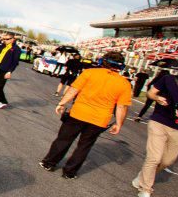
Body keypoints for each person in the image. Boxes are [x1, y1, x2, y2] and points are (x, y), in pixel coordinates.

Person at [39, 51, 131, 179]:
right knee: (84, 146)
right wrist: (119, 124)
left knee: (63, 139)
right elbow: (121, 106)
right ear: (121, 66)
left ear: (103, 61)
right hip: (99, 119)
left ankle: (49, 163)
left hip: (78, 113)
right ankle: (69, 172)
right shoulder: (125, 83)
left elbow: (74, 89)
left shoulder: (90, 72)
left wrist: (62, 103)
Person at [131, 56, 178, 197]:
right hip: (160, 121)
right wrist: (157, 99)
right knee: (154, 158)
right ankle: (145, 189)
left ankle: (143, 176)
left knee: (167, 161)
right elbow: (151, 93)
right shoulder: (169, 79)